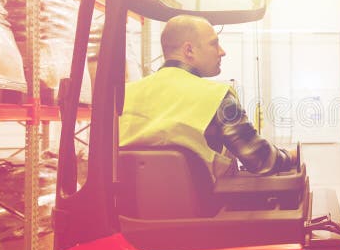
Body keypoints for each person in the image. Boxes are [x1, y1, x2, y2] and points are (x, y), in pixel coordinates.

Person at [119, 14, 297, 180]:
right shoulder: (218, 97)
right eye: (214, 44)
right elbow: (260, 160)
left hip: (131, 212)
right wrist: (291, 155)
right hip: (203, 211)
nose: (222, 51)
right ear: (189, 50)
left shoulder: (124, 95)